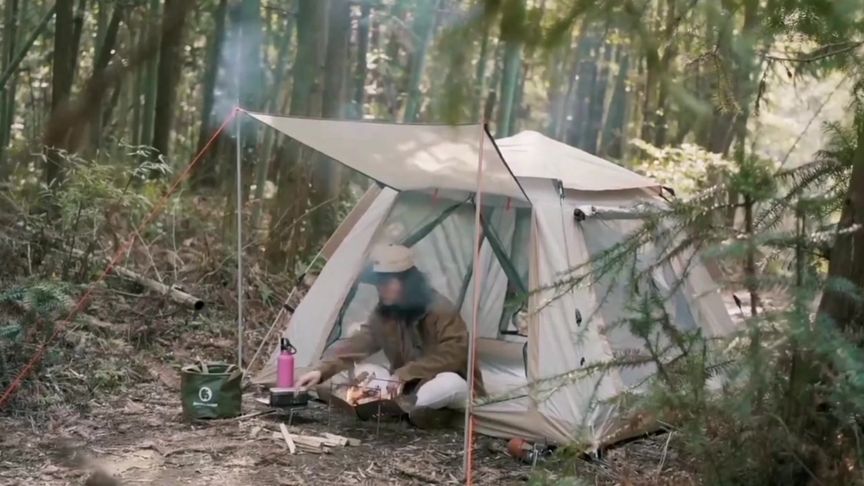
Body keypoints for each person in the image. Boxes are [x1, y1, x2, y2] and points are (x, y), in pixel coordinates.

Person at [295, 244, 484, 428]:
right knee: (366, 372)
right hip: (405, 387)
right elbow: (358, 344)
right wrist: (320, 371)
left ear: (407, 282)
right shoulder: (384, 312)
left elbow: (455, 354)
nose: (381, 288)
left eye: (387, 283)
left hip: (445, 381)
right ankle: (402, 409)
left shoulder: (440, 308)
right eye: (379, 283)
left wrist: (406, 373)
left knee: (443, 386)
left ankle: (421, 411)